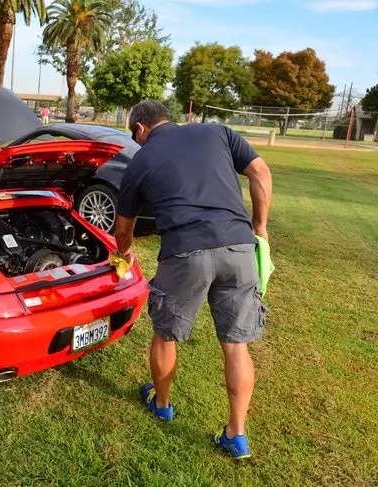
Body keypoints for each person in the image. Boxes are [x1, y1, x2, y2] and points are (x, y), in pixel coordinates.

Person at [112, 100, 273, 459]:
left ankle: (163, 404)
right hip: (240, 248)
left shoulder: (139, 161)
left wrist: (123, 255)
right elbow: (260, 172)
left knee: (165, 333)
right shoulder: (217, 131)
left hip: (186, 252)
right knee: (236, 344)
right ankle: (236, 434)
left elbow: (123, 229)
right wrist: (259, 228)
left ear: (140, 128)